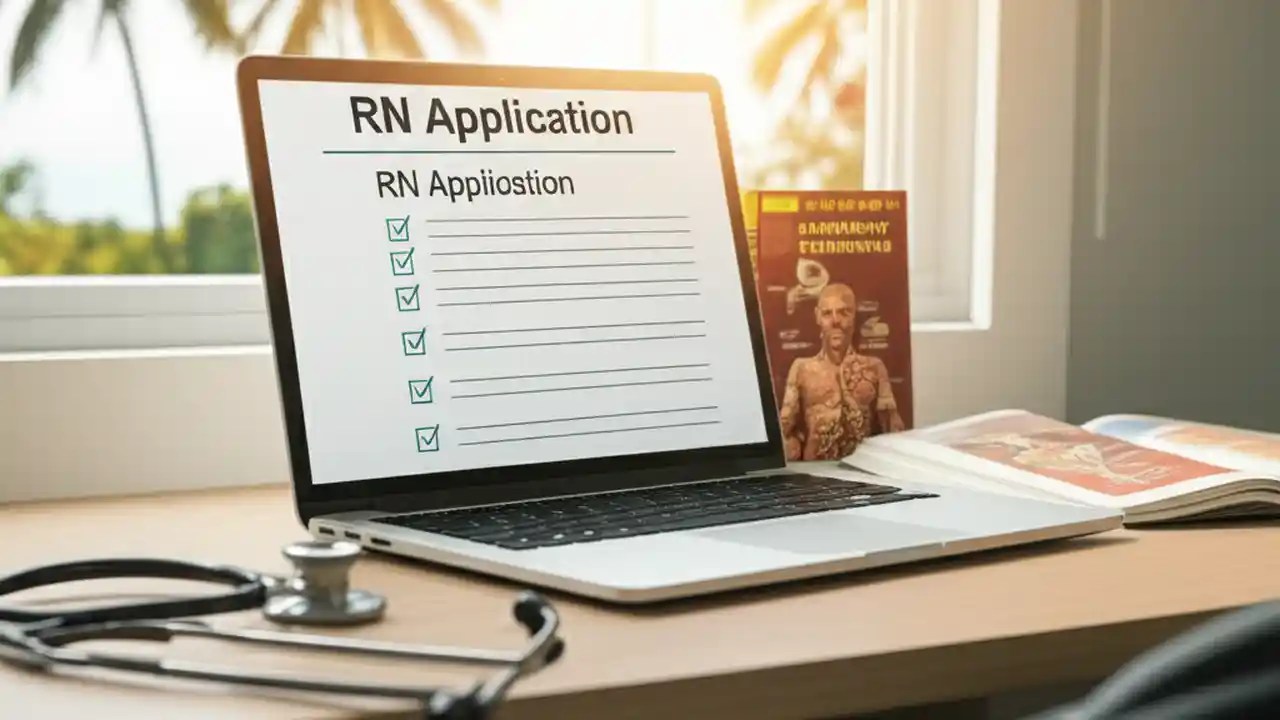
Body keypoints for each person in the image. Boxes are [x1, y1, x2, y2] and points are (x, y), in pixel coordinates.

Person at [778, 283, 904, 460]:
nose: (836, 320)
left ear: (854, 316)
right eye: (827, 313)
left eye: (844, 312)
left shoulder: (873, 368)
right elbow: (784, 429)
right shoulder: (802, 369)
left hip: (861, 472)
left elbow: (893, 434)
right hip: (815, 475)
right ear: (817, 317)